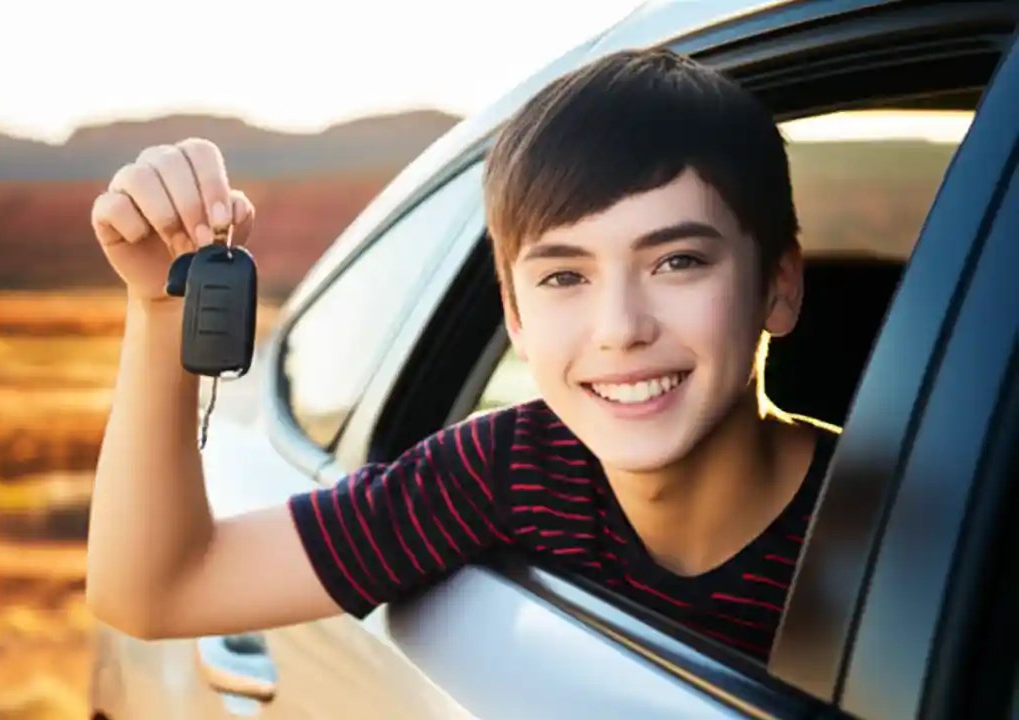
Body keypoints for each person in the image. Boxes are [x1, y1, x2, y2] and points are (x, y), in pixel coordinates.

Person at [84, 47, 838, 665]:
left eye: (676, 262)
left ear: (778, 284)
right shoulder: (509, 473)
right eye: (565, 276)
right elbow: (156, 590)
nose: (619, 327)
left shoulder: (909, 518)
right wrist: (160, 311)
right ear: (514, 316)